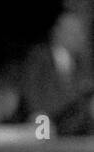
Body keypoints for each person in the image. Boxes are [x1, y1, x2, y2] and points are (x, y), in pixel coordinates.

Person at [17, 9, 94, 137]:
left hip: (75, 124)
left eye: (82, 33)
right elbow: (31, 93)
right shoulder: (38, 58)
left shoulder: (83, 63)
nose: (82, 38)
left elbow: (86, 94)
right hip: (45, 121)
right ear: (58, 32)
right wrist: (41, 118)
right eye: (76, 33)